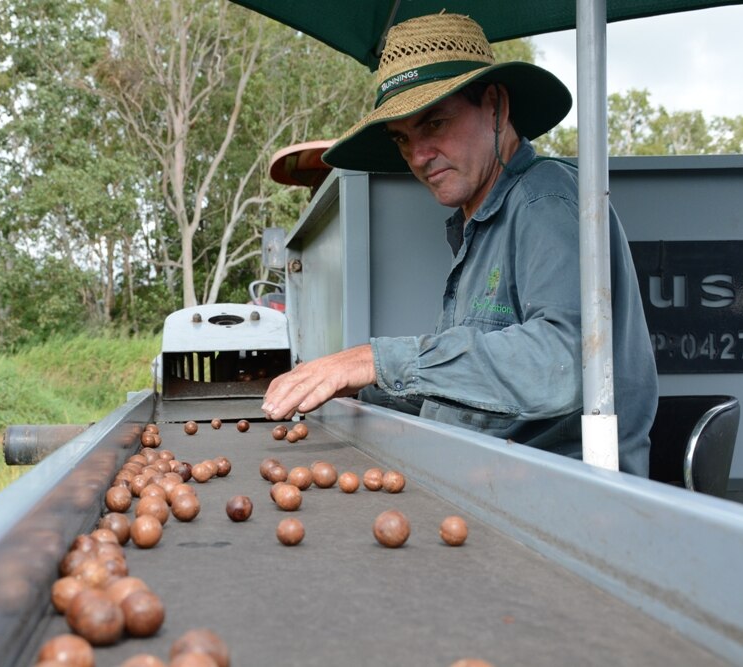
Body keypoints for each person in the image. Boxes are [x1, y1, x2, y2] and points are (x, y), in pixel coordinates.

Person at [260, 12, 658, 476]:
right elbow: (469, 392)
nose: (418, 156)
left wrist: (376, 360)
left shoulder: (544, 199)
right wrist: (356, 385)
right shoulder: (477, 226)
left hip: (561, 495)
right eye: (402, 139)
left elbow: (565, 361)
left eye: (434, 124)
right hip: (480, 479)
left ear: (495, 106)